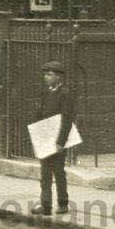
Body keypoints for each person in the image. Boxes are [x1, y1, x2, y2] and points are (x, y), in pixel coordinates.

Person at [31, 60, 75, 215]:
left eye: (49, 74)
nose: (46, 77)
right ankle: (46, 205)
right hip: (45, 136)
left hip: (56, 139)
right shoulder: (46, 92)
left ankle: (63, 204)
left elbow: (67, 119)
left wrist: (60, 142)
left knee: (58, 171)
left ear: (59, 77)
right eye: (45, 74)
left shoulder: (64, 94)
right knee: (45, 173)